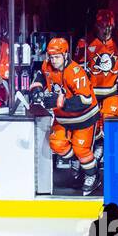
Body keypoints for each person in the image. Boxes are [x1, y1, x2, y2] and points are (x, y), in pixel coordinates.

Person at [34, 37, 101, 195]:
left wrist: (59, 102)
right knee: (57, 143)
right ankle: (78, 162)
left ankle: (93, 175)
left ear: (65, 55)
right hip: (63, 118)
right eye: (51, 56)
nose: (53, 60)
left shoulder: (75, 72)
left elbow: (85, 100)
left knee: (81, 150)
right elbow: (41, 76)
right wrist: (36, 89)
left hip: (85, 117)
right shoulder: (47, 65)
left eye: (57, 57)